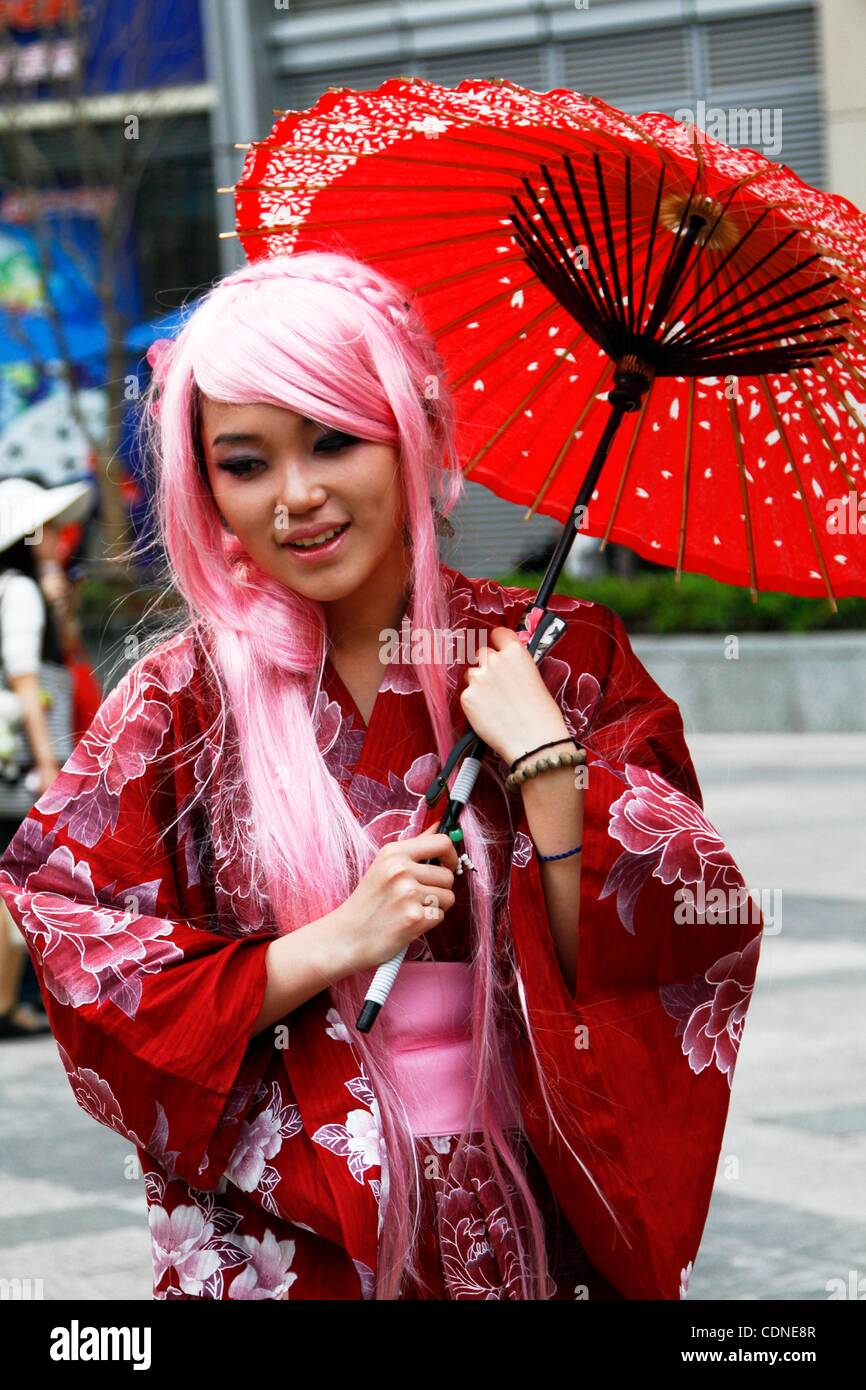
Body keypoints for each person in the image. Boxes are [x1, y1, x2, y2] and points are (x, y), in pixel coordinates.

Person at [0, 252, 763, 1300]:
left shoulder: (559, 653)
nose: (297, 496)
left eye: (332, 439)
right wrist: (331, 945)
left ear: (410, 433)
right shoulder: (178, 701)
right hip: (294, 1218)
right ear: (203, 483)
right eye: (245, 461)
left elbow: (668, 951)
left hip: (525, 1206)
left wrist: (548, 771)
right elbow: (65, 920)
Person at [0, 478, 92, 1039]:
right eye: (48, 528)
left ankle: (11, 999)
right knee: (15, 882)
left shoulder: (23, 587)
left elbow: (65, 649)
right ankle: (7, 1002)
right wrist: (48, 766)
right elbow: (27, 681)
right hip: (23, 765)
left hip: (20, 760)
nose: (58, 537)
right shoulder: (21, 591)